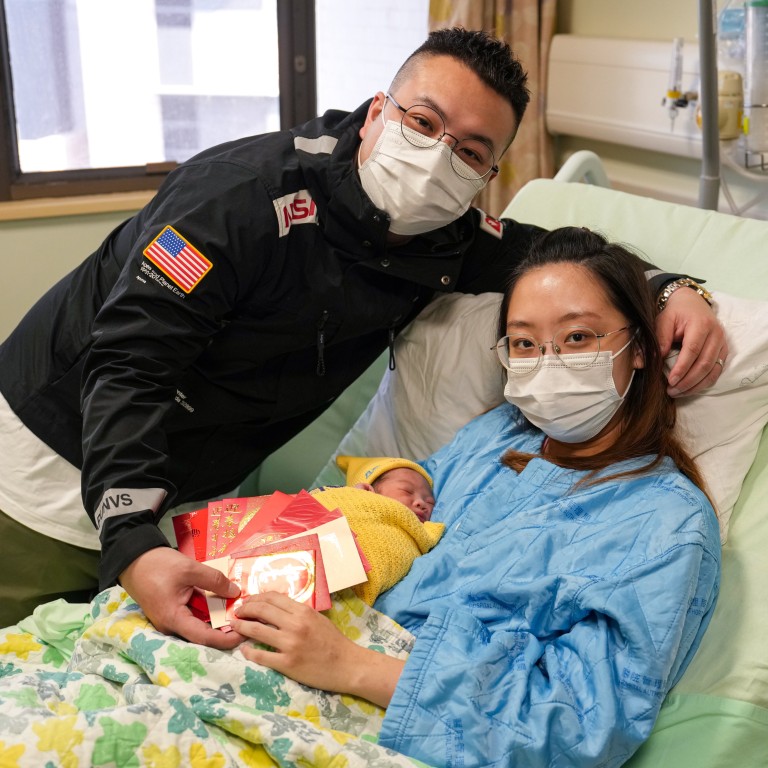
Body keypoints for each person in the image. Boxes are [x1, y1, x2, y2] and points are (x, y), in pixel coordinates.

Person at [0, 28, 726, 644]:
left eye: (473, 152)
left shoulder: (444, 238)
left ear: (489, 174)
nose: (441, 156)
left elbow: (556, 256)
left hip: (185, 500)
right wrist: (129, 538)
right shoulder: (239, 198)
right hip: (50, 462)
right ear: (378, 111)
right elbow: (131, 364)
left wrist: (668, 289)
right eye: (423, 122)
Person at [229, 227, 721, 767]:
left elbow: (582, 729)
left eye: (579, 337)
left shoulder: (666, 522)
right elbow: (397, 514)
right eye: (525, 343)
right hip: (310, 642)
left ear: (642, 348)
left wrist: (351, 666)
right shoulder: (497, 436)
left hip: (398, 725)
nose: (548, 362)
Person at [311, 455, 443, 605]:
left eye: (429, 501)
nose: (421, 503)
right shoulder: (352, 498)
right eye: (407, 491)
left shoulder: (419, 531)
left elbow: (426, 538)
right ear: (367, 489)